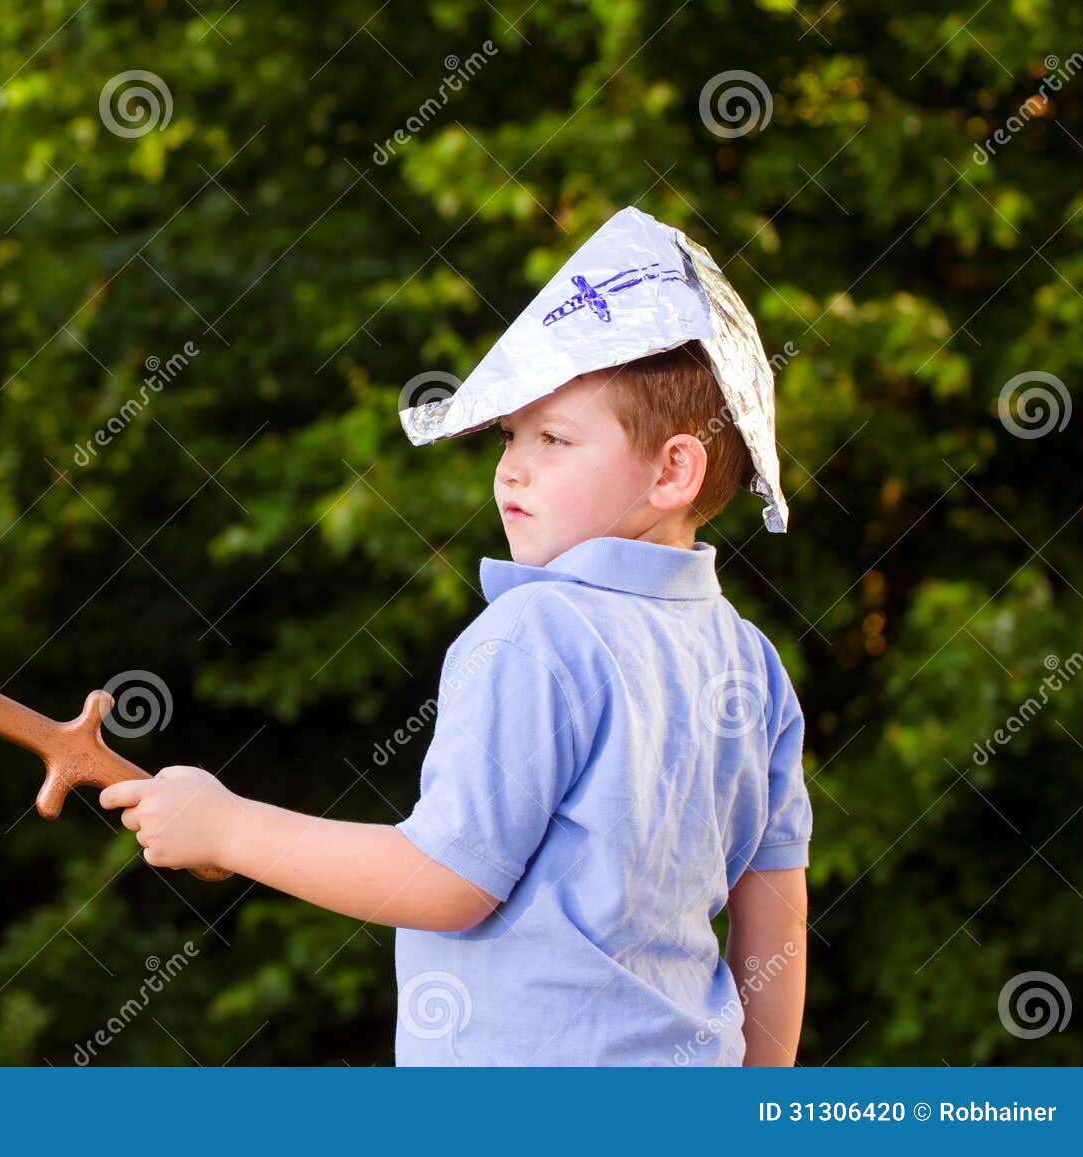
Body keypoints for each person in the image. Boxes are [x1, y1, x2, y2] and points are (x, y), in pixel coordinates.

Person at [99, 207, 812, 1066]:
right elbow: (775, 914)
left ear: (672, 470)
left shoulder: (536, 630)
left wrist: (228, 828)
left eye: (554, 438)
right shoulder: (752, 662)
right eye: (511, 435)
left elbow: (446, 880)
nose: (512, 465)